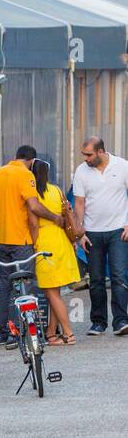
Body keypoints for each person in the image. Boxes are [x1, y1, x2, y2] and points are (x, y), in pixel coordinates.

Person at [0, 146, 62, 343]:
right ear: (32, 160)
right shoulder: (25, 175)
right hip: (21, 240)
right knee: (25, 287)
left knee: (4, 285)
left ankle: (2, 332)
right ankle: (21, 332)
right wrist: (55, 217)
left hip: (2, 238)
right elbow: (34, 206)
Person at [72, 135, 128, 336]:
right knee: (95, 279)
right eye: (83, 154)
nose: (85, 158)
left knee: (119, 276)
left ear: (101, 152)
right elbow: (78, 203)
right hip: (92, 233)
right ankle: (98, 322)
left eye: (88, 154)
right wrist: (80, 233)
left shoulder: (122, 166)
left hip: (117, 231)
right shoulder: (81, 171)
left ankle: (121, 321)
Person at [30, 158, 79, 344]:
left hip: (44, 243)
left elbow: (34, 223)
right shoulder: (57, 190)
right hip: (61, 241)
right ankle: (52, 334)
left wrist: (34, 245)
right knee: (55, 292)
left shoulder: (32, 194)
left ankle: (68, 333)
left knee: (51, 293)